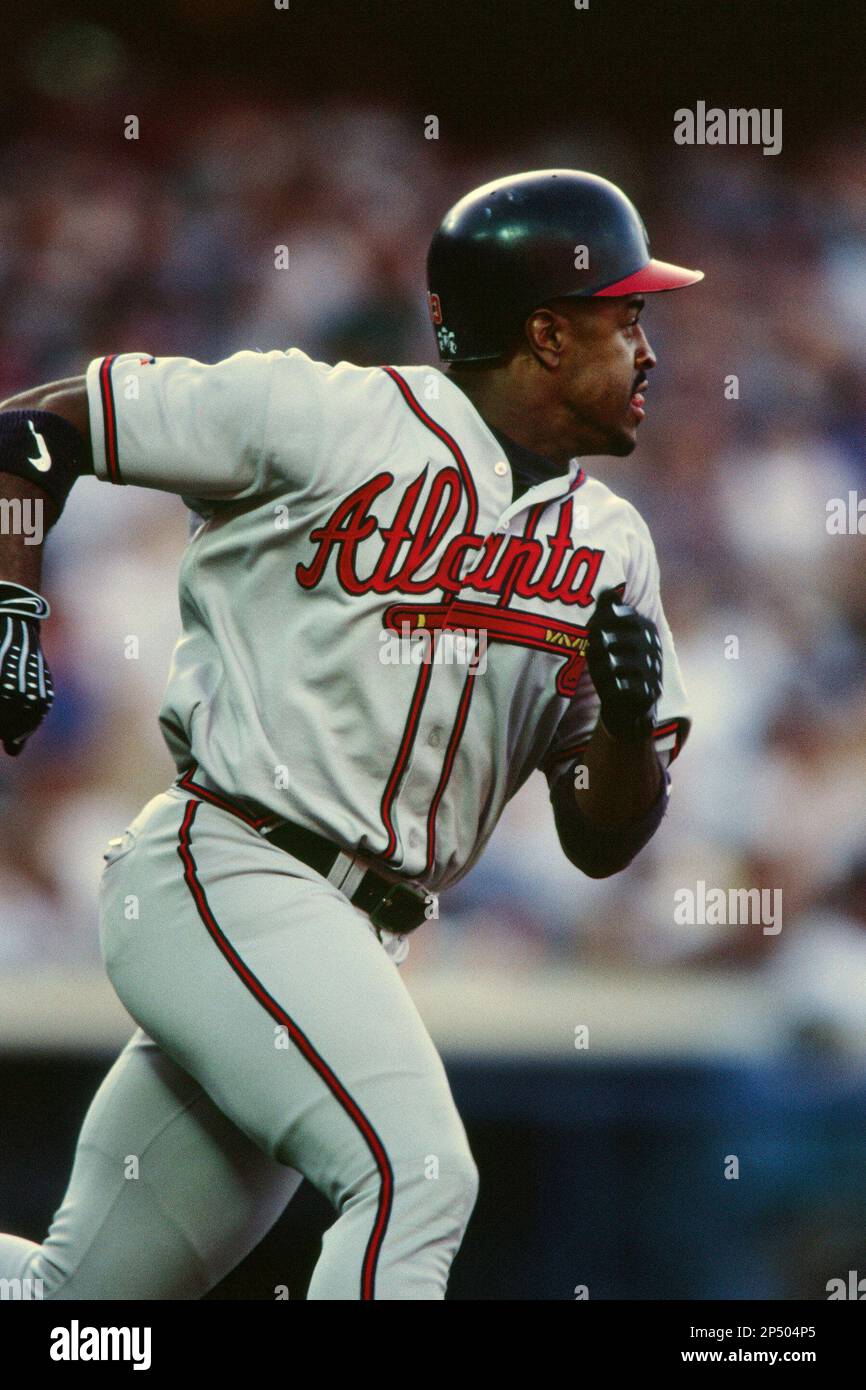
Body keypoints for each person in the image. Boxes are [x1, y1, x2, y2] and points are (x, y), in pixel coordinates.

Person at [0, 169, 700, 1299]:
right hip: (226, 865)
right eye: (626, 319)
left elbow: (600, 837)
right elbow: (31, 431)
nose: (650, 351)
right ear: (544, 332)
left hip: (352, 937)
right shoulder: (324, 415)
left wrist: (622, 730)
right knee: (418, 1177)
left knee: (75, 1308)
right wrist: (11, 601)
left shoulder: (612, 545)